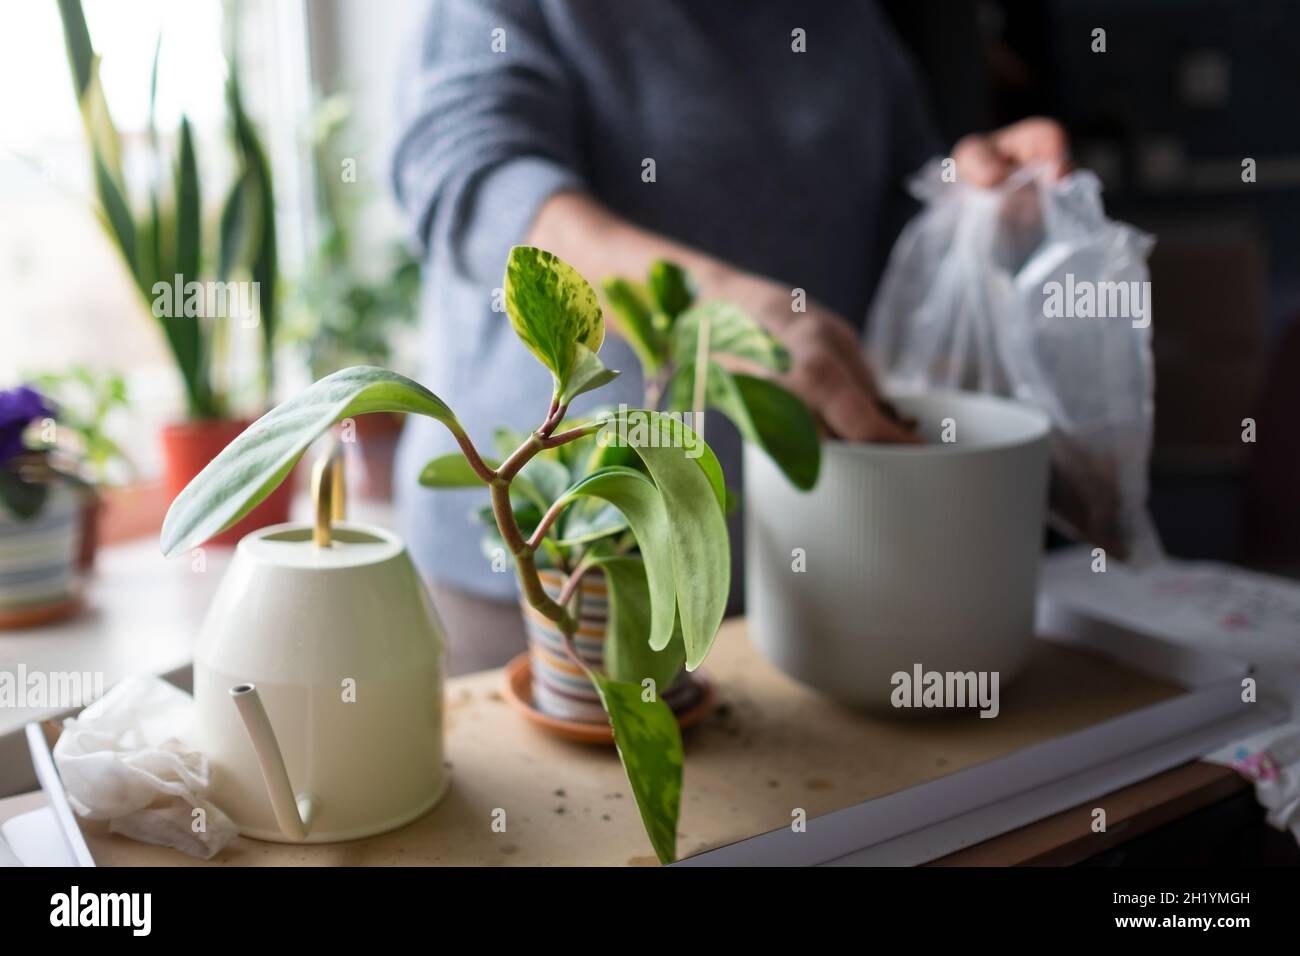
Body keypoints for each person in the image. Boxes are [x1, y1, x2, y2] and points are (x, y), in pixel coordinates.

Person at [391, 0, 1069, 672]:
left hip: (795, 577)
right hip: (538, 579)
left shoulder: (845, 22)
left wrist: (977, 198)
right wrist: (713, 312)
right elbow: (476, 181)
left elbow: (905, 214)